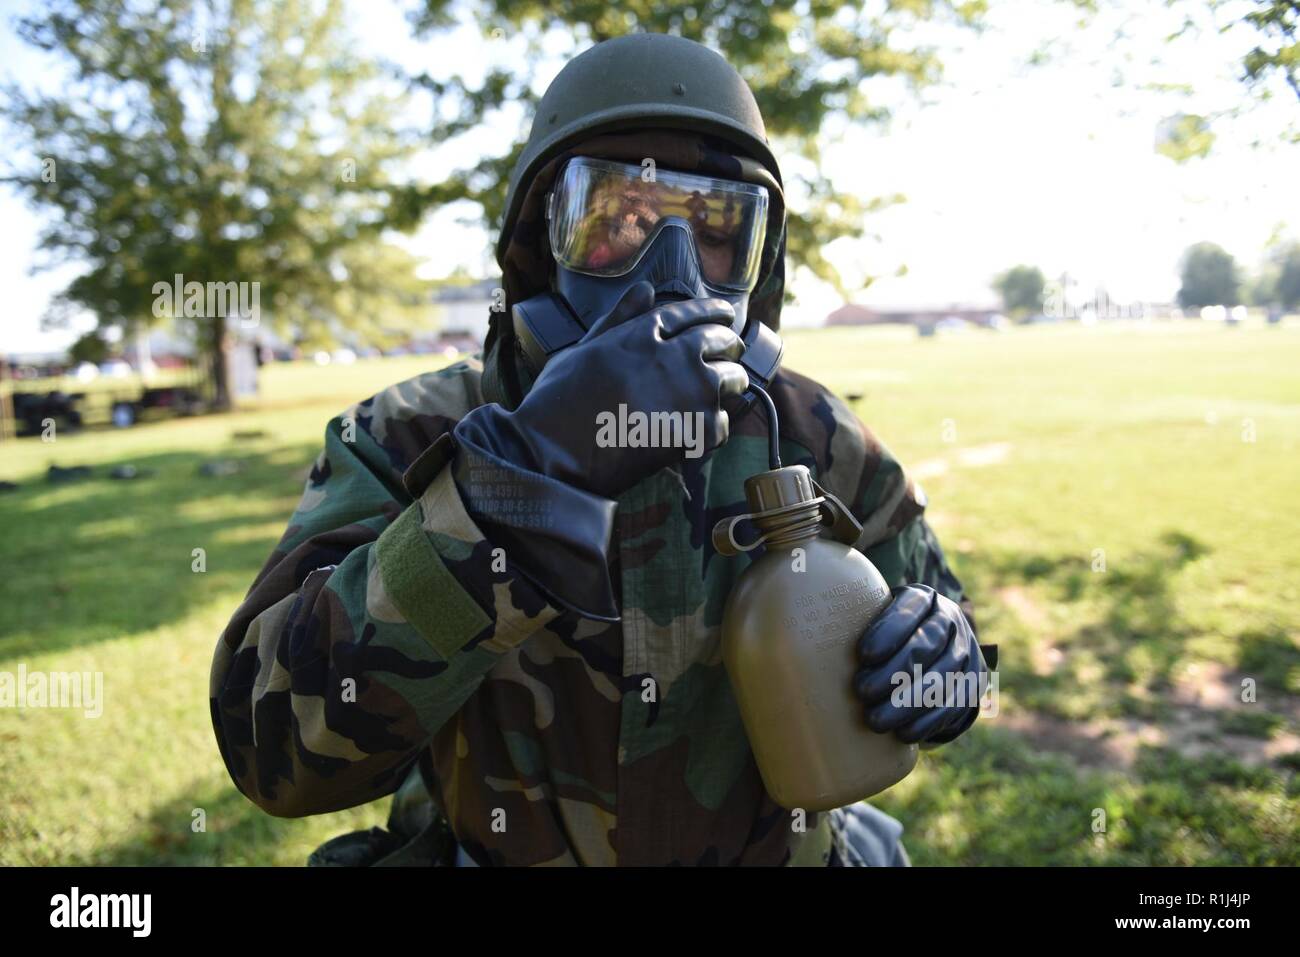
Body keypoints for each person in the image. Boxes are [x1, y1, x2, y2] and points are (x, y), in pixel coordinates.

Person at [209, 32, 991, 867]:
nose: (674, 269)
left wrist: (944, 657)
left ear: (757, 263)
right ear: (542, 240)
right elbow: (273, 753)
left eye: (717, 227)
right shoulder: (412, 433)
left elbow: (944, 618)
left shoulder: (809, 433)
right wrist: (527, 472)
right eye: (619, 217)